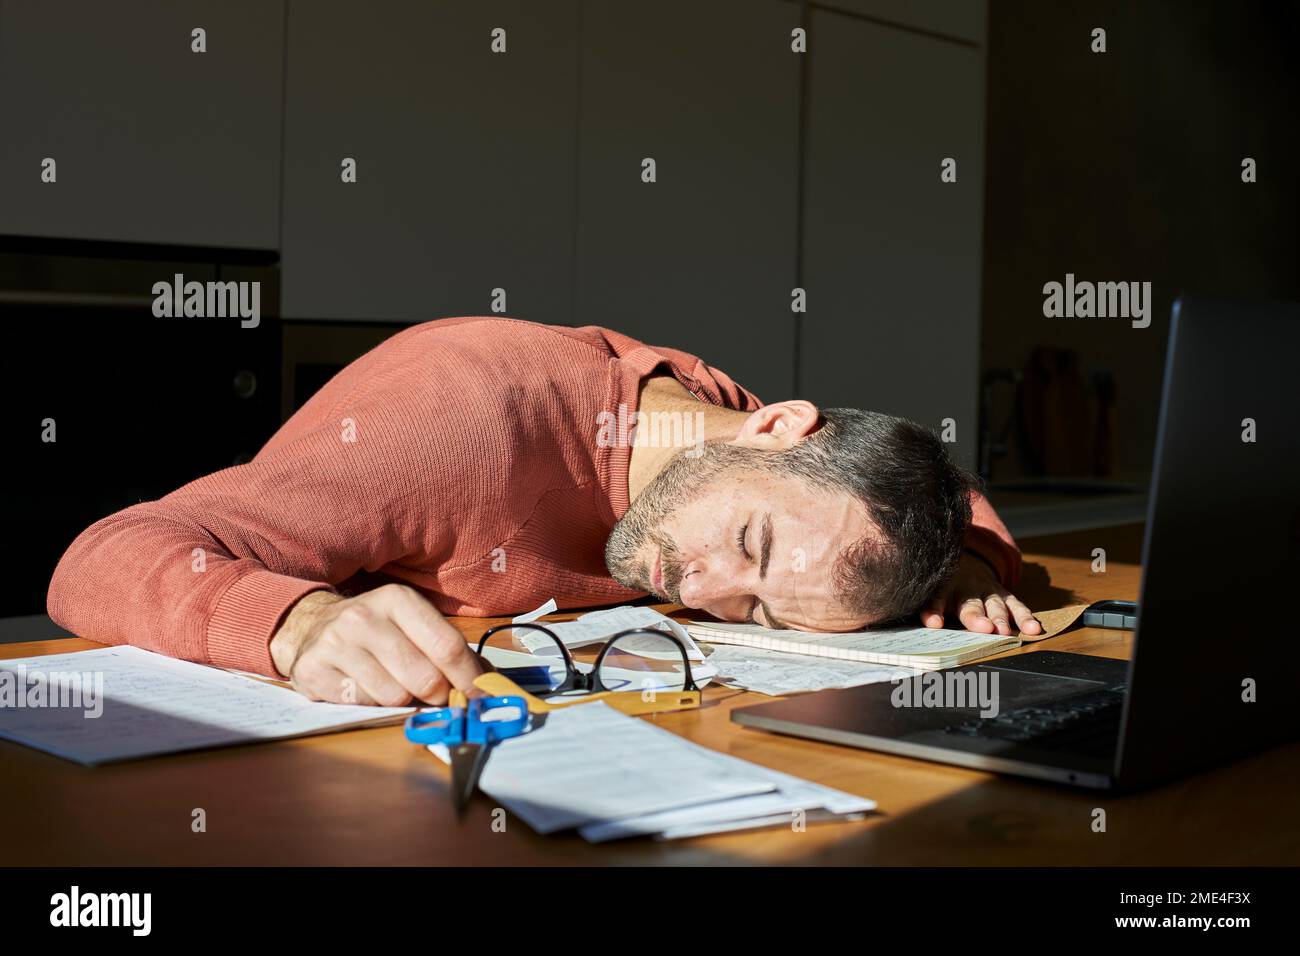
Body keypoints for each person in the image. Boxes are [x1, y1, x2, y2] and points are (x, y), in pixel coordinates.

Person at [48, 317, 1039, 706]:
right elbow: (100, 555)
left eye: (760, 611)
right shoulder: (452, 424)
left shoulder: (732, 436)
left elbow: (937, 487)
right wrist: (298, 620)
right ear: (773, 422)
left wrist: (964, 560)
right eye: (750, 544)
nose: (700, 587)